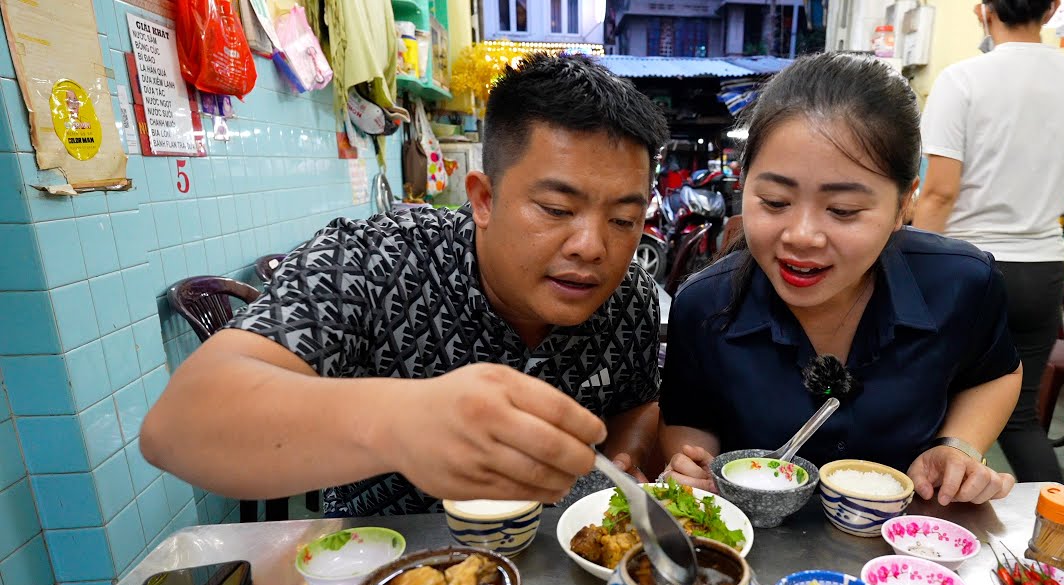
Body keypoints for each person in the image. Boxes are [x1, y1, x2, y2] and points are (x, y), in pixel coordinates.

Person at [140, 53, 670, 516]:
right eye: (557, 209)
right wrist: (401, 420)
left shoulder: (631, 298)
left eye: (624, 219)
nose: (592, 246)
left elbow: (637, 402)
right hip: (382, 563)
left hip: (562, 563)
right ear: (484, 199)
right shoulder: (378, 258)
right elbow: (178, 426)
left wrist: (620, 461)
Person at [660, 53, 1021, 507]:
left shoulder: (962, 282)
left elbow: (996, 373)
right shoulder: (704, 304)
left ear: (903, 203)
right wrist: (694, 468)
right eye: (774, 201)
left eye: (843, 210)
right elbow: (688, 421)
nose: (802, 236)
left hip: (908, 550)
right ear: (743, 183)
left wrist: (959, 447)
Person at [914, 0, 1064, 485]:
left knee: (927, 407)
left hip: (966, 267)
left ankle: (914, 534)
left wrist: (910, 273)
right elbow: (1063, 183)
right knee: (1019, 419)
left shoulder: (962, 80)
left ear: (983, 9)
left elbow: (938, 192)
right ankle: (1060, 534)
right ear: (1054, 7)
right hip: (1041, 267)